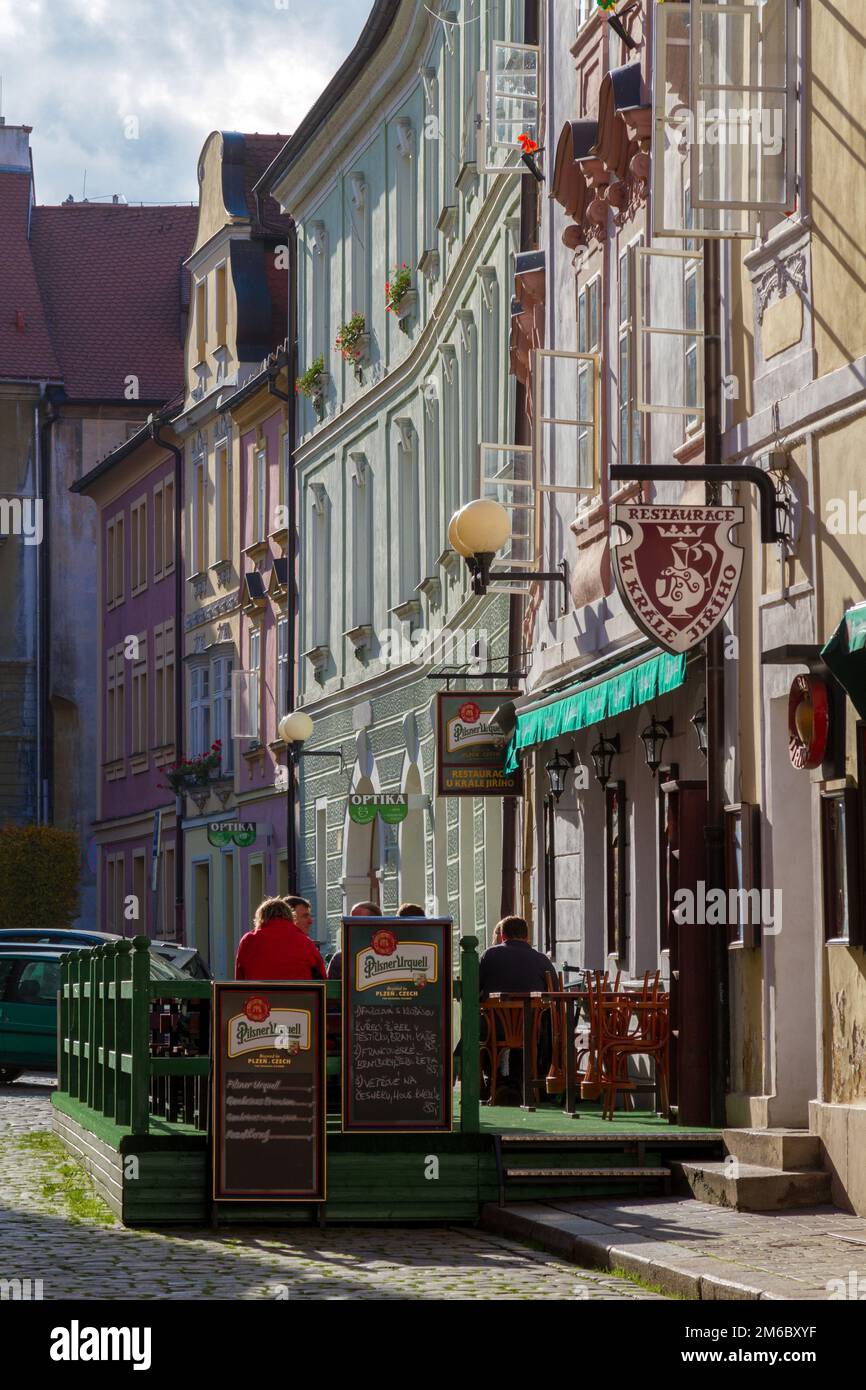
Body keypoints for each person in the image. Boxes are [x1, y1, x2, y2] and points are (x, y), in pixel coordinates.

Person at [478, 915, 555, 1102]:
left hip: (494, 1030)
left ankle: (494, 1083)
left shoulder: (489, 956)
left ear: (502, 936)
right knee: (538, 1033)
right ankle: (527, 1084)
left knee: (481, 1035)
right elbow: (554, 995)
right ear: (527, 937)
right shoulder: (541, 960)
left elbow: (474, 990)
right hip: (529, 1029)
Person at [235, 897, 327, 981]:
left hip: (259, 997)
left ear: (261, 917)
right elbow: (322, 978)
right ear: (291, 916)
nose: (310, 921)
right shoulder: (304, 942)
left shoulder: (248, 940)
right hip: (298, 997)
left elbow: (240, 978)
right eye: (305, 916)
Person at [326, 900, 380, 980]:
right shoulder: (340, 958)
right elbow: (331, 989)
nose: (352, 926)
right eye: (351, 921)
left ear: (375, 924)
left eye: (358, 922)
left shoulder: (390, 954)